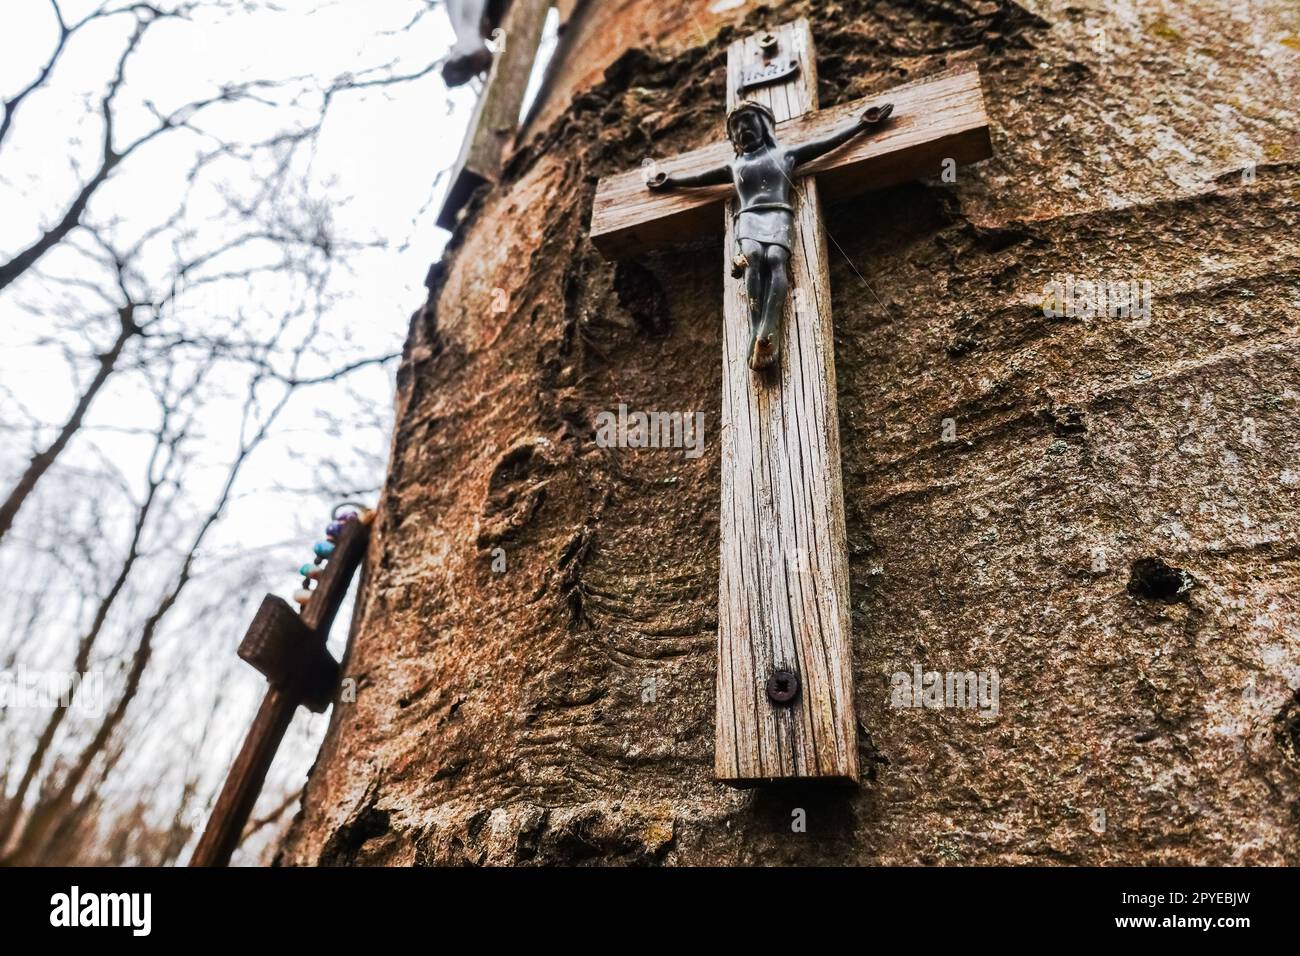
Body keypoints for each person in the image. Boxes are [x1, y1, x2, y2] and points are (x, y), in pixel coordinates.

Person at [649, 100, 894, 371]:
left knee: (776, 259)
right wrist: (671, 182)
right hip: (749, 217)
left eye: (748, 122)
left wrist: (860, 124)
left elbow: (825, 144)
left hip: (778, 213)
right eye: (736, 128)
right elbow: (699, 179)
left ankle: (770, 324)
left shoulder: (785, 155)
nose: (743, 130)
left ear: (764, 125)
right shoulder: (734, 165)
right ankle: (757, 331)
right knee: (753, 257)